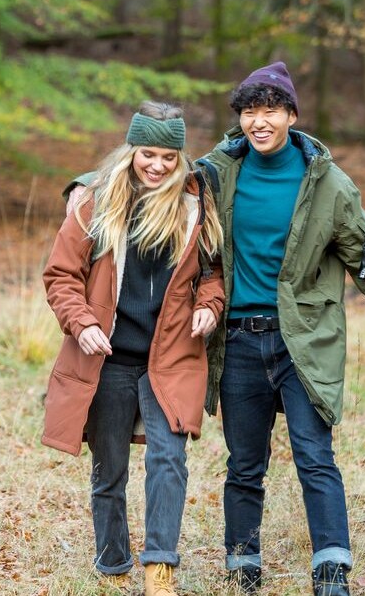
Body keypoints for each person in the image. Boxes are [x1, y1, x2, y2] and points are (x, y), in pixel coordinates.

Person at [65, 62, 365, 596]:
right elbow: (153, 171)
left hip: (302, 340)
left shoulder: (329, 185)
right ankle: (243, 562)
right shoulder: (219, 171)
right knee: (244, 464)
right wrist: (82, 189)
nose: (258, 121)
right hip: (239, 339)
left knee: (315, 454)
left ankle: (331, 568)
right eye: (248, 111)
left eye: (270, 110)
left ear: (291, 114)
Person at [41, 101, 225, 596]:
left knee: (170, 461)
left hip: (171, 359)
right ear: (131, 152)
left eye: (169, 157)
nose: (158, 166)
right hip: (108, 360)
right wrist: (81, 324)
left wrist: (210, 304)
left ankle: (160, 567)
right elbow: (61, 276)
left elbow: (212, 274)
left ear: (180, 159)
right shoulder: (94, 205)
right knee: (110, 468)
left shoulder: (195, 207)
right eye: (148, 154)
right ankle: (112, 560)